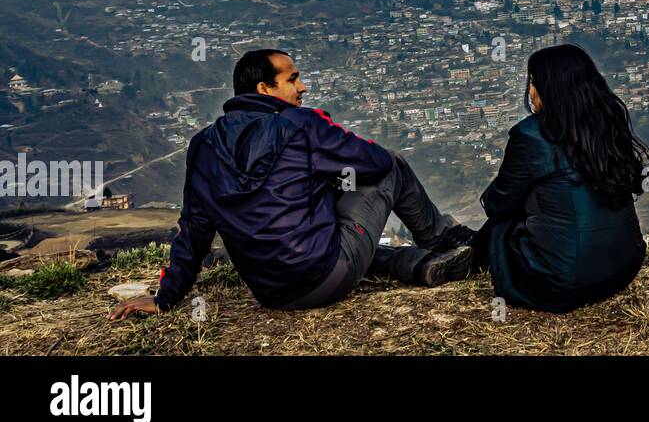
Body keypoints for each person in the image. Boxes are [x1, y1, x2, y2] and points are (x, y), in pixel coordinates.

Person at [109, 49, 476, 320]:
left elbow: (194, 230)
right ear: (265, 88)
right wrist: (330, 157)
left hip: (271, 291)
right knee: (393, 164)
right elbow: (376, 162)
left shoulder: (204, 145)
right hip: (325, 274)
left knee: (331, 224)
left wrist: (166, 297)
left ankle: (420, 265)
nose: (302, 87)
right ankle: (444, 239)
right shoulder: (300, 124)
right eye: (292, 79)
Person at [472, 43, 649, 313]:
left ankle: (463, 259)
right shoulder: (608, 123)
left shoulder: (531, 135)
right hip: (623, 270)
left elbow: (498, 204)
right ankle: (461, 252)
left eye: (533, 81)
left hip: (560, 285)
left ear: (549, 87)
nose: (530, 91)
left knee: (507, 218)